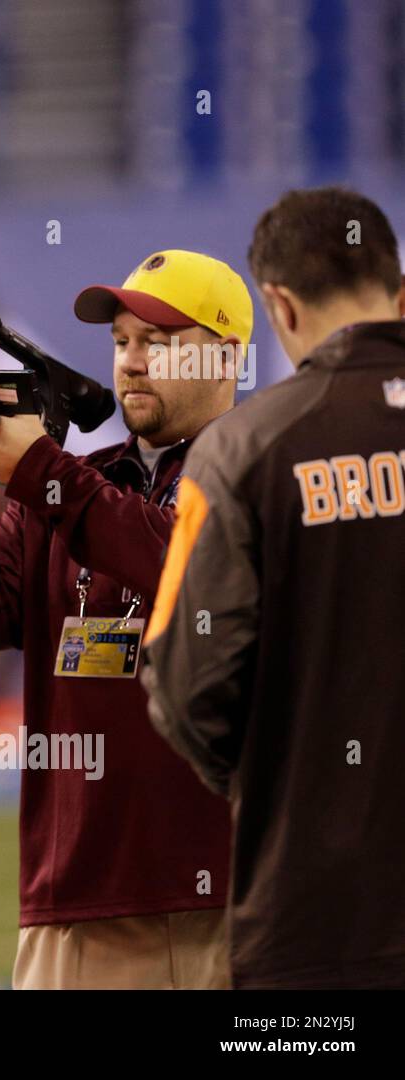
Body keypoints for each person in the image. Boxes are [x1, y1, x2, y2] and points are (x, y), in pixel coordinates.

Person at [0, 250, 251, 989]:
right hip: (76, 898)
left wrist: (42, 470)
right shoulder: (76, 485)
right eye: (121, 343)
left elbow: (191, 568)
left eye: (160, 342)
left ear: (231, 354)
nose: (132, 363)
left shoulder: (257, 466)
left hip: (235, 897)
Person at [143, 187, 405, 989]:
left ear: (279, 305)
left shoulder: (246, 448)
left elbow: (186, 687)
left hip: (316, 915)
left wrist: (276, 778)